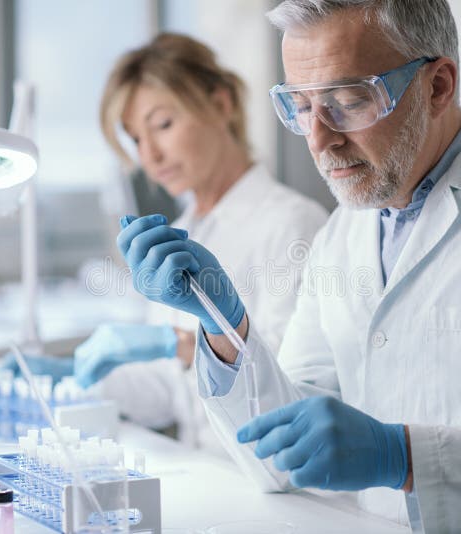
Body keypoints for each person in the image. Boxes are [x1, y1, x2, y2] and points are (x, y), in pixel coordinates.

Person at [117, 1, 461, 532]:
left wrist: (403, 456)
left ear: (437, 86)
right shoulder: (342, 234)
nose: (319, 139)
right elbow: (279, 454)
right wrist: (223, 328)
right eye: (300, 105)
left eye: (347, 101)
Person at [69, 33, 326, 450]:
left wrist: (186, 346)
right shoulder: (182, 231)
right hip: (207, 472)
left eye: (163, 125)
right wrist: (75, 379)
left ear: (221, 105)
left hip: (273, 479)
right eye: (135, 139)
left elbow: (293, 387)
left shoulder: (292, 223)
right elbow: (169, 398)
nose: (148, 156)